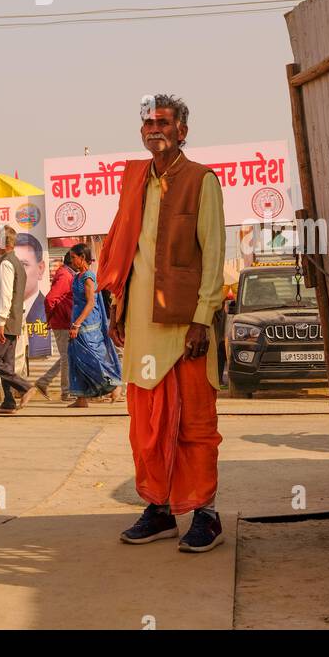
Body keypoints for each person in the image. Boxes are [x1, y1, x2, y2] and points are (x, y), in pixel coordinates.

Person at [98, 93, 226, 554]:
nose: (155, 129)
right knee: (147, 426)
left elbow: (213, 256)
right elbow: (124, 251)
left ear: (182, 131)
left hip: (183, 327)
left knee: (193, 425)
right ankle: (159, 509)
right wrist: (117, 305)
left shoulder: (201, 181)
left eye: (164, 122)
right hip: (141, 326)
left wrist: (202, 318)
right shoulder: (134, 181)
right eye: (148, 123)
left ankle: (205, 513)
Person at [0, 225, 33, 415]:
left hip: (5, 321)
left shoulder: (6, 264)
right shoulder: (15, 263)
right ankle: (8, 402)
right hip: (13, 321)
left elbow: (6, 295)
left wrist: (0, 323)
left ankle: (25, 387)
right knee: (7, 361)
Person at [67, 246, 123, 407]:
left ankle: (115, 383)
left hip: (88, 325)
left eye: (73, 257)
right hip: (77, 321)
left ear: (82, 257)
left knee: (92, 358)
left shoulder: (89, 278)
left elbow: (91, 302)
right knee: (76, 358)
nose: (71, 260)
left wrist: (77, 324)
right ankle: (81, 398)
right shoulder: (78, 276)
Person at [34, 249, 78, 401]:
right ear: (72, 260)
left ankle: (43, 382)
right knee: (67, 357)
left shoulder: (67, 274)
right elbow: (50, 299)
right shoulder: (65, 276)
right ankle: (66, 392)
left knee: (68, 356)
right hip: (62, 322)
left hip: (64, 321)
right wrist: (50, 318)